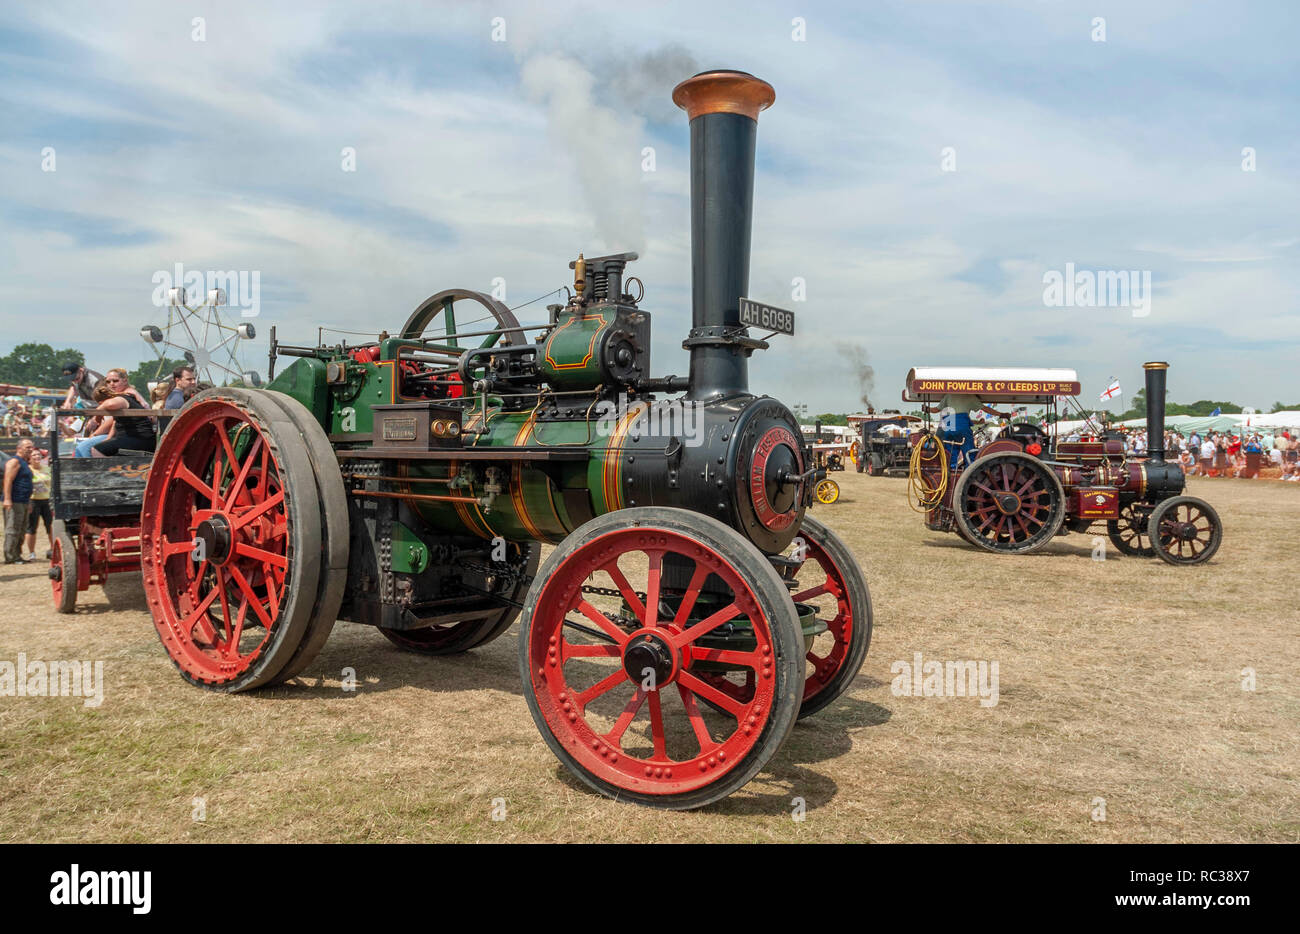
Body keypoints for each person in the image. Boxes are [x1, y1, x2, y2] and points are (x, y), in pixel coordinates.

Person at [92, 378, 158, 456]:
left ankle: (106, 468)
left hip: (140, 439)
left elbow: (110, 404)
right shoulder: (124, 398)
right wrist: (108, 439)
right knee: (103, 448)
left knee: (96, 449)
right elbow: (116, 424)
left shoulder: (121, 398)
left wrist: (98, 414)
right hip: (133, 438)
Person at [3, 438, 35, 563]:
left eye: (31, 447)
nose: (30, 449)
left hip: (24, 501)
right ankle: (10, 556)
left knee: (21, 529)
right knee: (12, 530)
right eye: (27, 447)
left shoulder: (24, 462)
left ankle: (17, 555)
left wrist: (29, 502)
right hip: (15, 501)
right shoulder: (14, 462)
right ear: (19, 448)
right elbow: (7, 481)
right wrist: (7, 499)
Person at [24, 447, 52, 560]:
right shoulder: (27, 469)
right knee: (31, 527)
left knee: (50, 526)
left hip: (47, 501)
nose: (37, 457)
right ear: (29, 458)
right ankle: (32, 553)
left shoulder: (47, 469)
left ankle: (53, 549)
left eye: (38, 455)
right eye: (34, 455)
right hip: (33, 501)